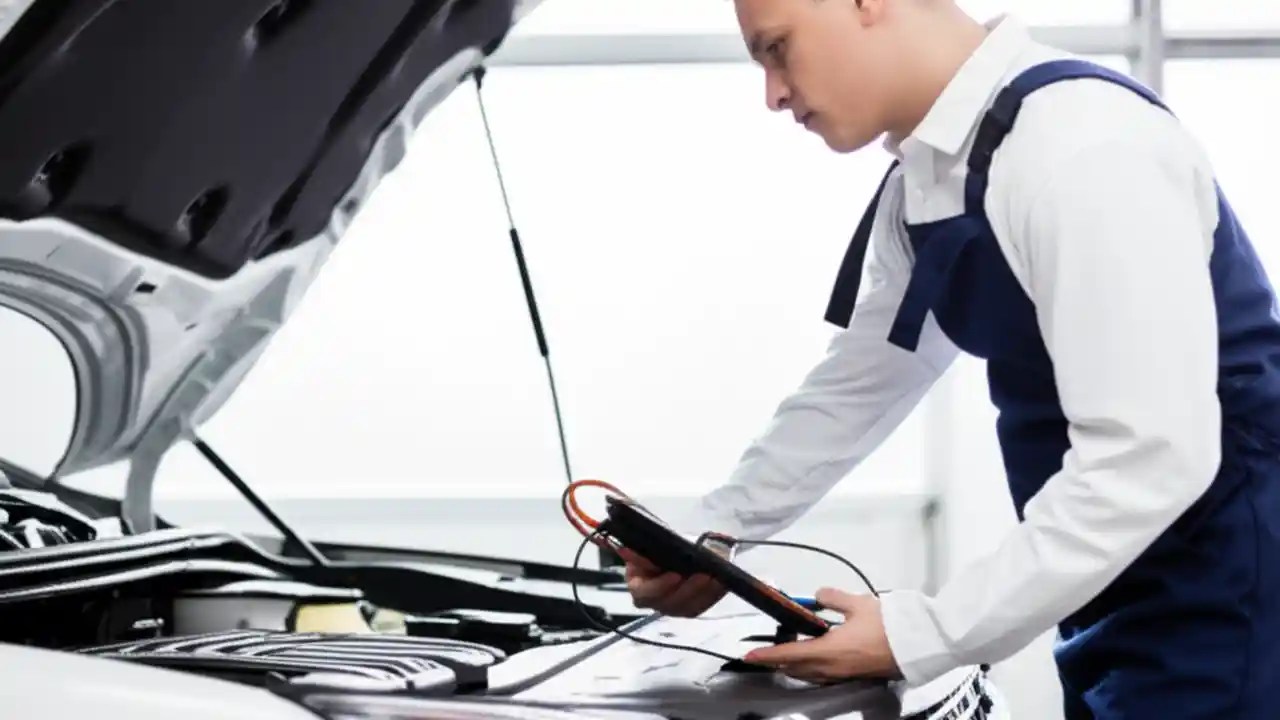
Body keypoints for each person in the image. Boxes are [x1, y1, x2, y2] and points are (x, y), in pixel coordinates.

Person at [619, 1, 1280, 718]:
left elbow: (1149, 459)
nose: (772, 94)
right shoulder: (931, 177)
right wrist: (715, 536)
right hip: (1118, 594)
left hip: (1238, 602)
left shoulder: (1082, 146)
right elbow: (862, 381)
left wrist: (919, 635)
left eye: (778, 49)